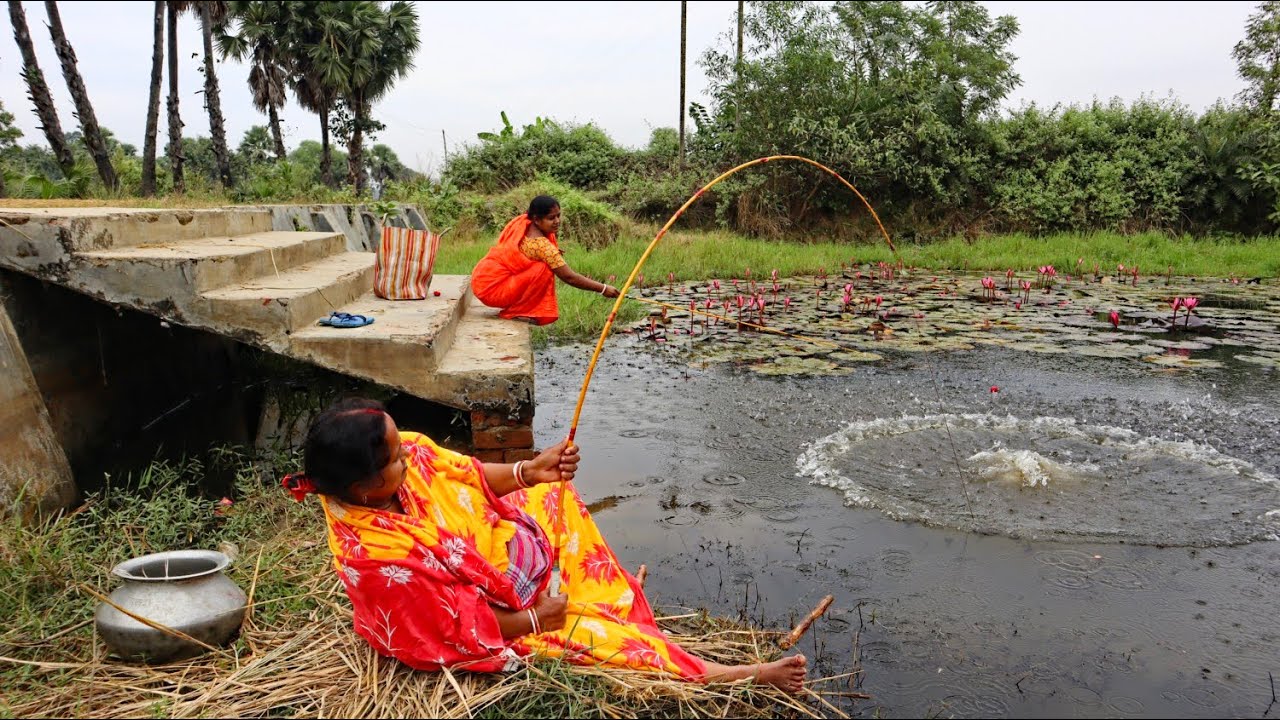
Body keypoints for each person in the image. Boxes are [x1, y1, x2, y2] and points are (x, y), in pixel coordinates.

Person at [284, 398, 807, 691]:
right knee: (602, 640)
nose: (411, 455)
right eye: (397, 457)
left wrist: (529, 471)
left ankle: (592, 600)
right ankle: (737, 674)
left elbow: (465, 475)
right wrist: (536, 619)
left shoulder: (405, 456)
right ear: (365, 489)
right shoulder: (380, 560)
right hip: (494, 615)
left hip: (500, 556)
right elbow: (459, 632)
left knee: (556, 497)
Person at [470, 195, 622, 326]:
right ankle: (520, 311)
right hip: (492, 289)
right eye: (551, 218)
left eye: (558, 215)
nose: (557, 221)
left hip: (481, 278)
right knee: (544, 269)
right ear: (536, 219)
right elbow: (569, 277)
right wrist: (603, 288)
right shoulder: (542, 246)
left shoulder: (522, 221)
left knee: (541, 266)